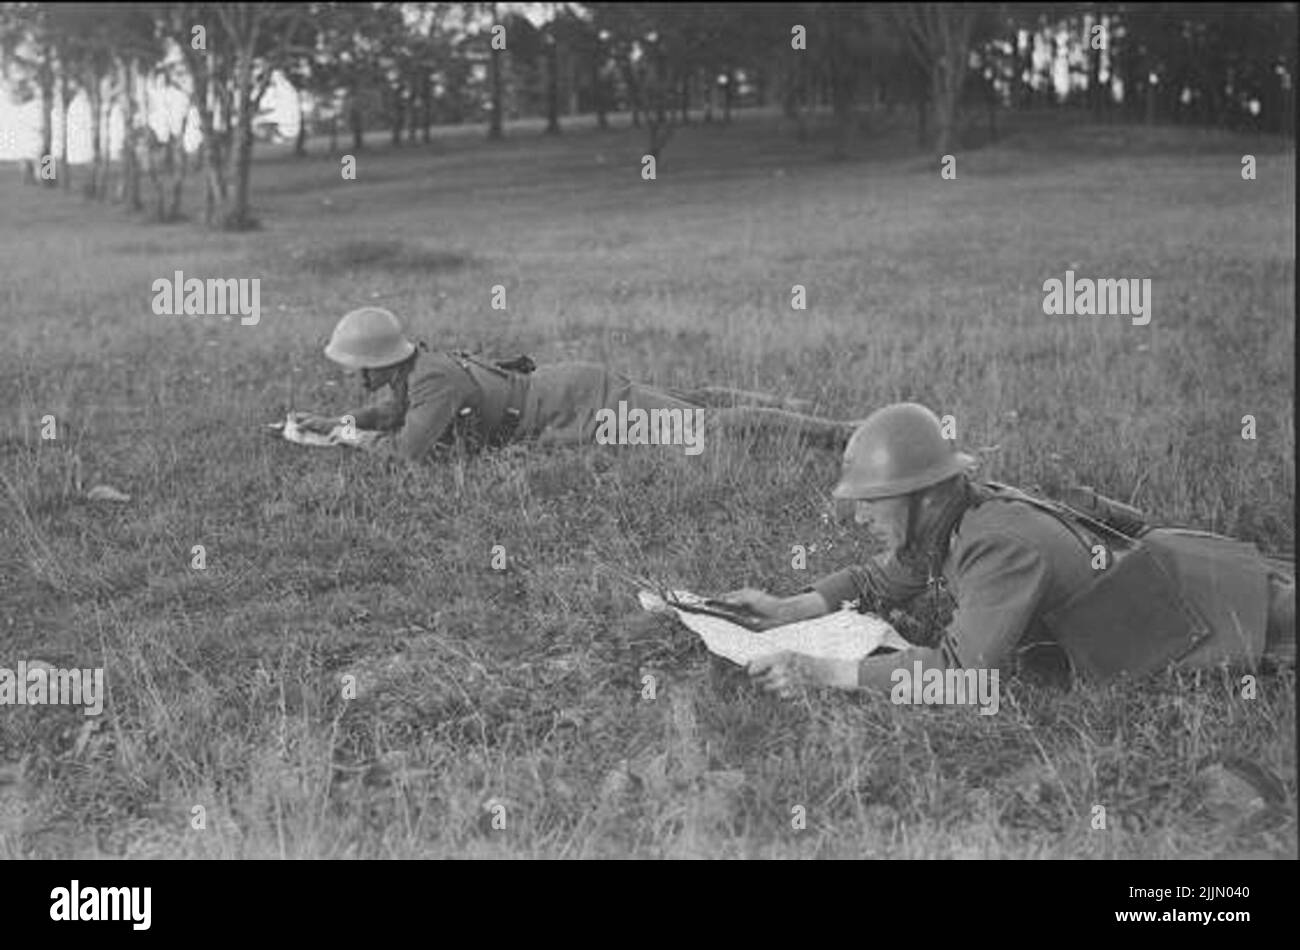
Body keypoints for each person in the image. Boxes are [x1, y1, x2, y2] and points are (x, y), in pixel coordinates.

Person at [720, 402, 1295, 697]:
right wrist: (791, 609)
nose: (860, 513)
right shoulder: (953, 515)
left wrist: (822, 672)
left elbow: (960, 674)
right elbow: (882, 580)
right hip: (1175, 580)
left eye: (874, 499)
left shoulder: (995, 546)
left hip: (1220, 609)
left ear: (922, 496)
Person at [300, 307, 864, 461]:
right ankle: (792, 407)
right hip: (566, 392)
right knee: (693, 403)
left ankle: (842, 433)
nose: (352, 375)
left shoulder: (431, 383)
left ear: (377, 361)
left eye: (354, 365)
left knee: (703, 430)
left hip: (580, 404)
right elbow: (388, 415)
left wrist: (348, 443)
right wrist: (337, 426)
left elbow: (405, 452)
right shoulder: (413, 371)